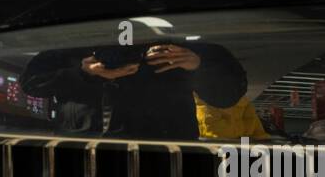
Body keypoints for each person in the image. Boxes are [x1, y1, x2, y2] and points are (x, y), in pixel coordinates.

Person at [23, 41, 262, 141]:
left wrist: (197, 64)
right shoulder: (74, 44)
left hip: (164, 157)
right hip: (82, 152)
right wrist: (83, 72)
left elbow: (229, 95)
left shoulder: (181, 47)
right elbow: (30, 83)